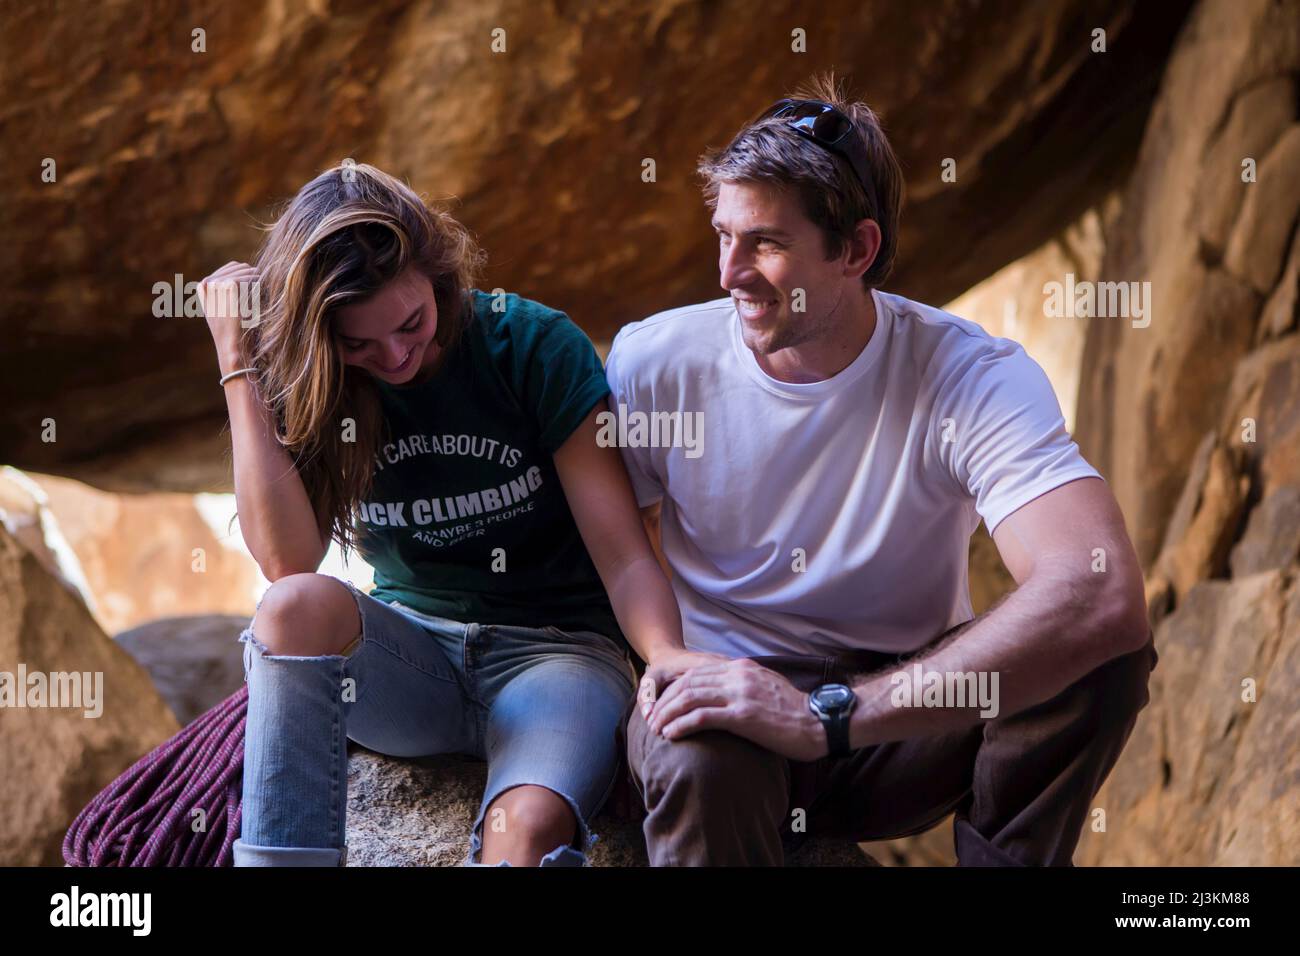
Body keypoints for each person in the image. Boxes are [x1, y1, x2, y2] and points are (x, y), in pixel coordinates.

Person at [604, 75, 1159, 866]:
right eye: (722, 234)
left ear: (857, 250)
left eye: (765, 242)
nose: (729, 273)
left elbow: (1099, 587)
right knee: (697, 745)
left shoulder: (968, 375)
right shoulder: (658, 362)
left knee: (1098, 657)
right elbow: (608, 550)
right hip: (729, 704)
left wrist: (825, 714)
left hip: (903, 715)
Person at [200, 162, 699, 866]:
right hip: (415, 661)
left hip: (558, 655)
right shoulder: (320, 378)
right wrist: (239, 361)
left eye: (410, 324)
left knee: (522, 832)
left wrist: (667, 660)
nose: (396, 355)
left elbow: (623, 554)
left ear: (437, 273)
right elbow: (287, 565)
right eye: (360, 344)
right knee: (290, 607)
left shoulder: (528, 345)